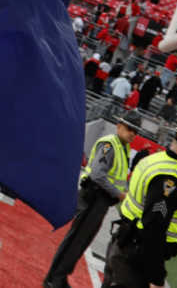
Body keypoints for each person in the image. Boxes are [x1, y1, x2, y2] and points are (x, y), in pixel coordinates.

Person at [103, 112, 177, 288]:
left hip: (126, 246)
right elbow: (154, 227)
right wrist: (156, 277)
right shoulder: (171, 178)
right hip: (136, 260)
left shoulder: (157, 161)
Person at [44, 114, 137, 288]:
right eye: (130, 128)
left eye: (136, 131)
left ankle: (60, 276)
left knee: (81, 242)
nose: (132, 133)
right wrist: (119, 194)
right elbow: (97, 175)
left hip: (100, 201)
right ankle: (53, 279)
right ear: (119, 126)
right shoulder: (110, 144)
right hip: (93, 197)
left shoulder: (122, 148)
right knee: (76, 240)